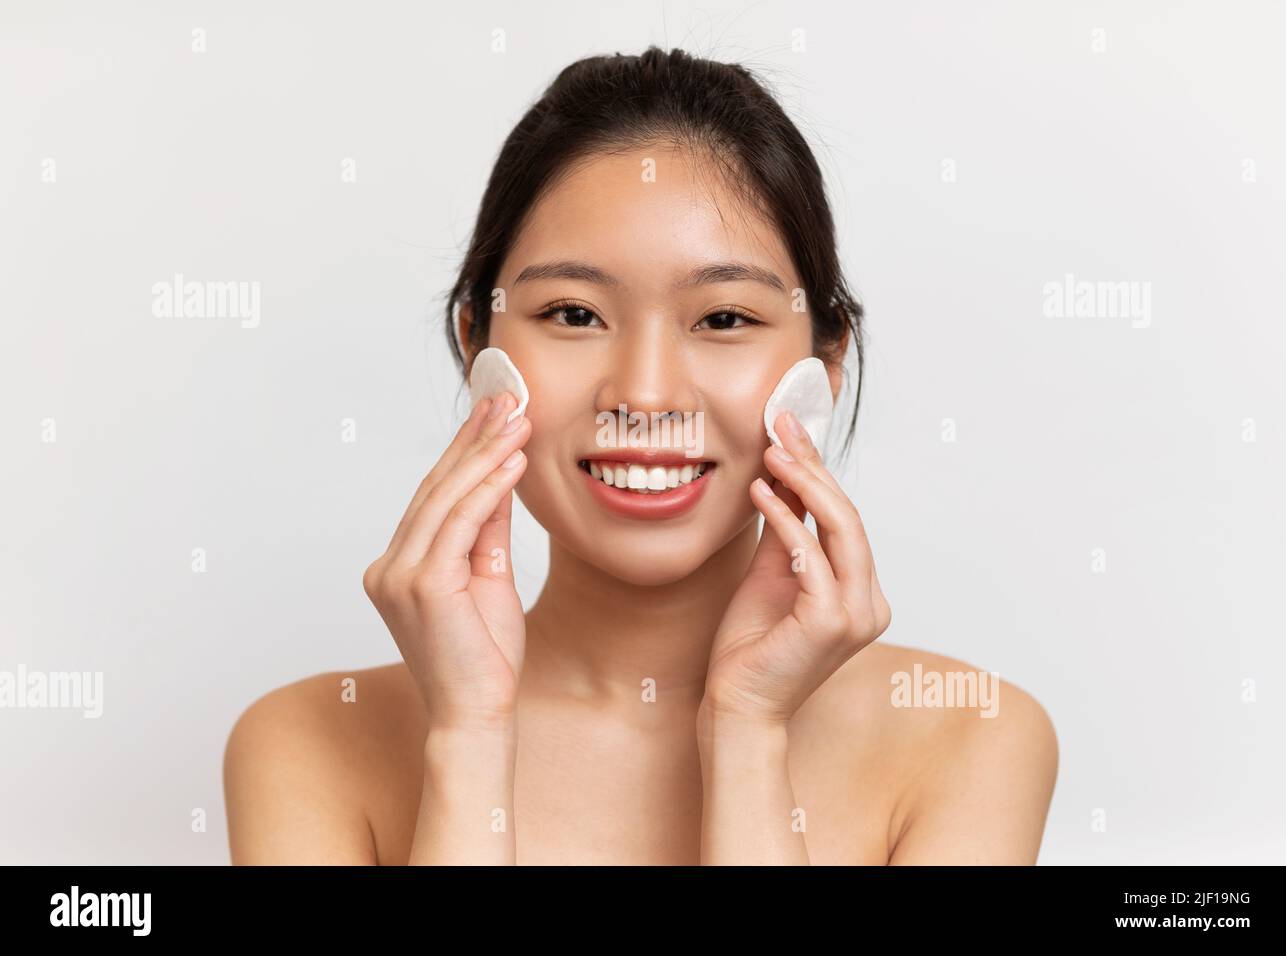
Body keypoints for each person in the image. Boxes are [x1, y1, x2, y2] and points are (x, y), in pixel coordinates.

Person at [223, 46, 1058, 865]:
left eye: (724, 319)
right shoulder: (308, 744)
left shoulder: (969, 737)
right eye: (575, 315)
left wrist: (748, 732)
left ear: (826, 363)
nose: (647, 397)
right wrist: (469, 735)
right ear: (476, 338)